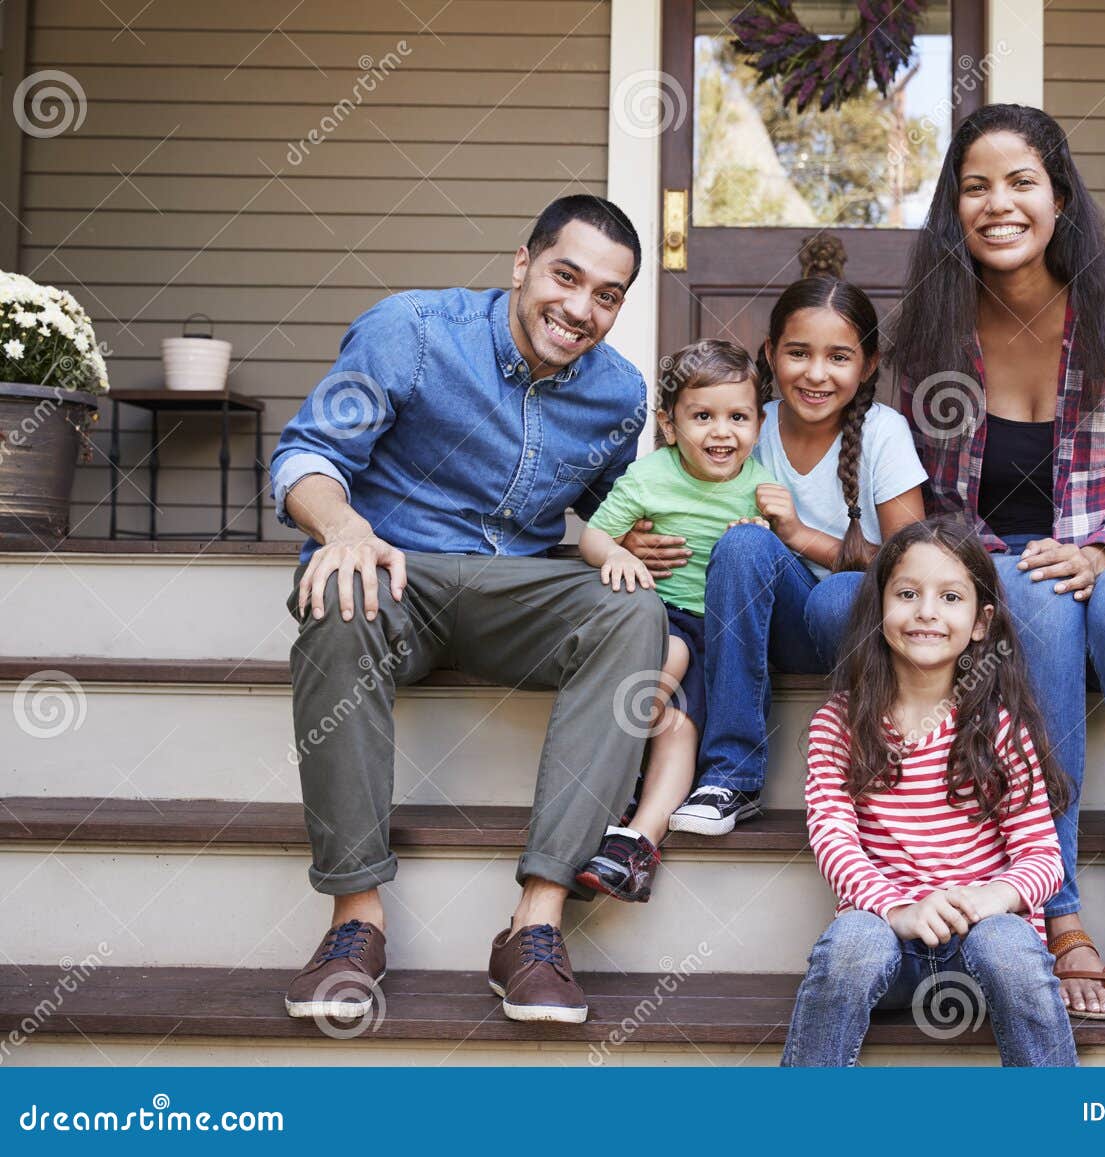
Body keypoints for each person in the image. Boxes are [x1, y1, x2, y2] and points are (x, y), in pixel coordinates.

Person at [270, 195, 666, 1025]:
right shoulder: (410, 330)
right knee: (337, 596)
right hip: (395, 577)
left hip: (512, 596)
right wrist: (341, 528)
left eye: (607, 294)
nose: (581, 309)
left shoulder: (620, 395)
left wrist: (652, 538)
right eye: (567, 276)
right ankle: (355, 923)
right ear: (522, 264)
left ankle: (534, 926)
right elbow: (308, 453)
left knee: (633, 613)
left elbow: (608, 513)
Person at [892, 103, 1105, 1023]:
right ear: (952, 208)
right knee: (1035, 607)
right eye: (974, 186)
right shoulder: (932, 332)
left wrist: (1097, 550)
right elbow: (934, 507)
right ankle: (1061, 912)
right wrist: (998, 566)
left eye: (1020, 182)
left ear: (1060, 196)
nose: (997, 204)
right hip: (1011, 574)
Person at [782, 517, 1077, 1067]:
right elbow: (833, 840)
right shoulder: (839, 725)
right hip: (889, 941)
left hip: (980, 944)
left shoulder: (1001, 727)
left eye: (949, 597)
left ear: (981, 622)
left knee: (1009, 945)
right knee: (851, 942)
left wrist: (997, 898)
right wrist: (897, 909)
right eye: (909, 594)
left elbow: (1042, 855)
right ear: (880, 609)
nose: (926, 612)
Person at [665, 277, 927, 836]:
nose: (815, 373)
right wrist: (638, 539)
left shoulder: (884, 434)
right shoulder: (742, 426)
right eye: (798, 353)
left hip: (853, 633)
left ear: (869, 362)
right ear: (769, 353)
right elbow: (669, 501)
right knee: (741, 544)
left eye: (838, 357)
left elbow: (918, 571)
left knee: (837, 595)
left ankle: (875, 768)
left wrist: (803, 537)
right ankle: (729, 777)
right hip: (763, 624)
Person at [573, 339, 773, 899]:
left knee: (679, 725)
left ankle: (634, 843)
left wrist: (772, 528)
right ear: (668, 425)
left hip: (723, 636)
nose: (722, 432)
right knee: (672, 671)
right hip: (657, 617)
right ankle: (627, 819)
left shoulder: (761, 485)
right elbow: (594, 534)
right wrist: (617, 553)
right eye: (702, 417)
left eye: (738, 417)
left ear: (758, 423)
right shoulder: (649, 477)